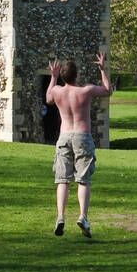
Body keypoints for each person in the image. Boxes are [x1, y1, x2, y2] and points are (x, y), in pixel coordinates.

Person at [46, 53, 112, 238]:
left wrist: (53, 77)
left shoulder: (58, 91)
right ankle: (83, 216)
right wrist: (102, 69)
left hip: (64, 136)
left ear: (63, 77)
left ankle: (60, 217)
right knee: (83, 179)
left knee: (63, 180)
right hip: (82, 136)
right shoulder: (86, 91)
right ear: (77, 75)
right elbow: (108, 90)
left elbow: (48, 98)